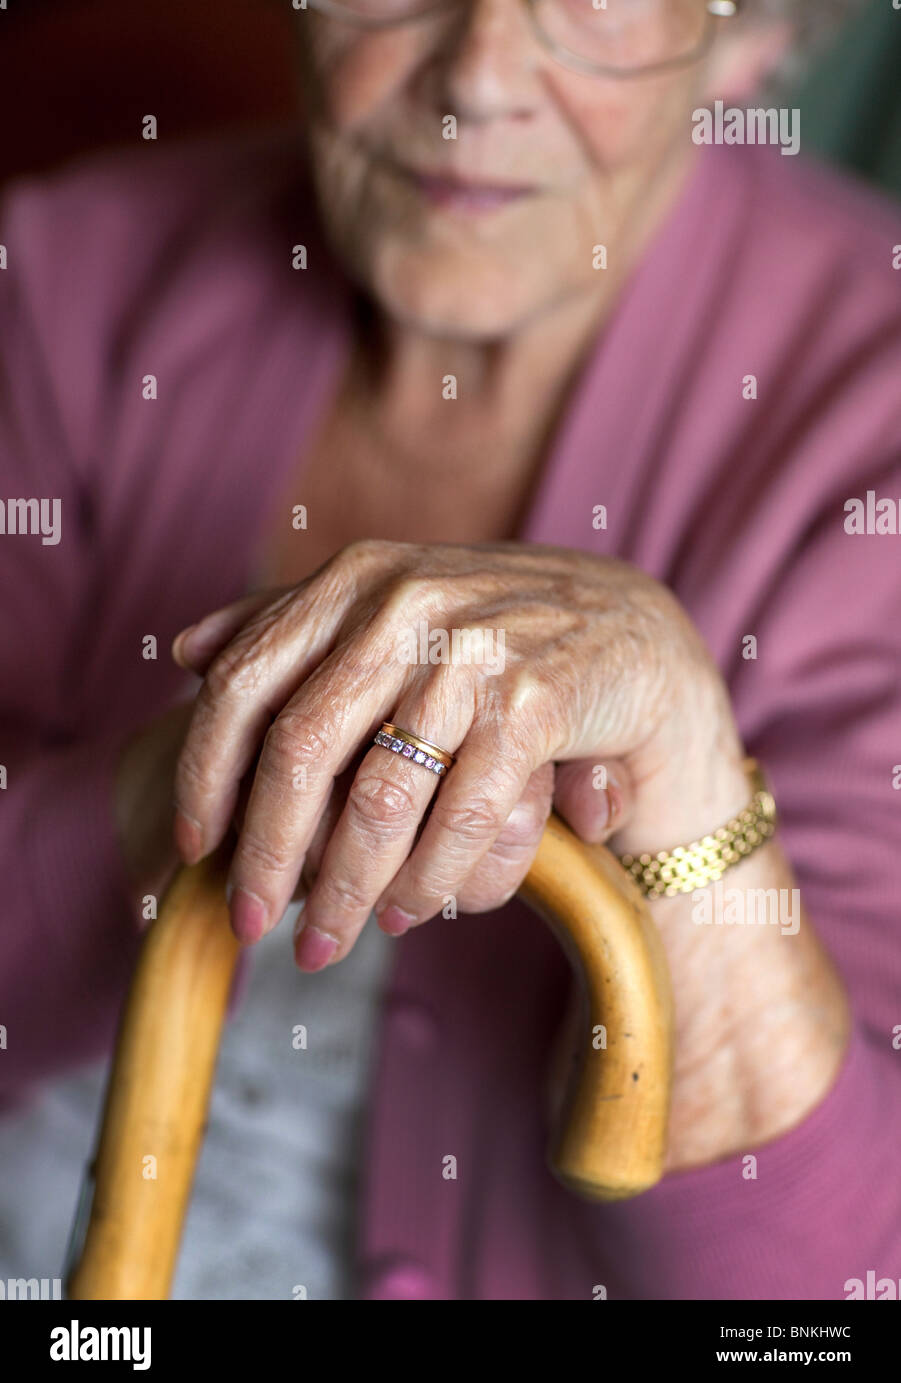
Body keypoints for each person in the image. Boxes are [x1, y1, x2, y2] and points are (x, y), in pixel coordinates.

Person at [1, 0, 898, 1300]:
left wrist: (685, 789)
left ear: (751, 38)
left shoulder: (871, 412)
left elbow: (827, 1294)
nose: (475, 79)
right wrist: (187, 787)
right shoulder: (64, 276)